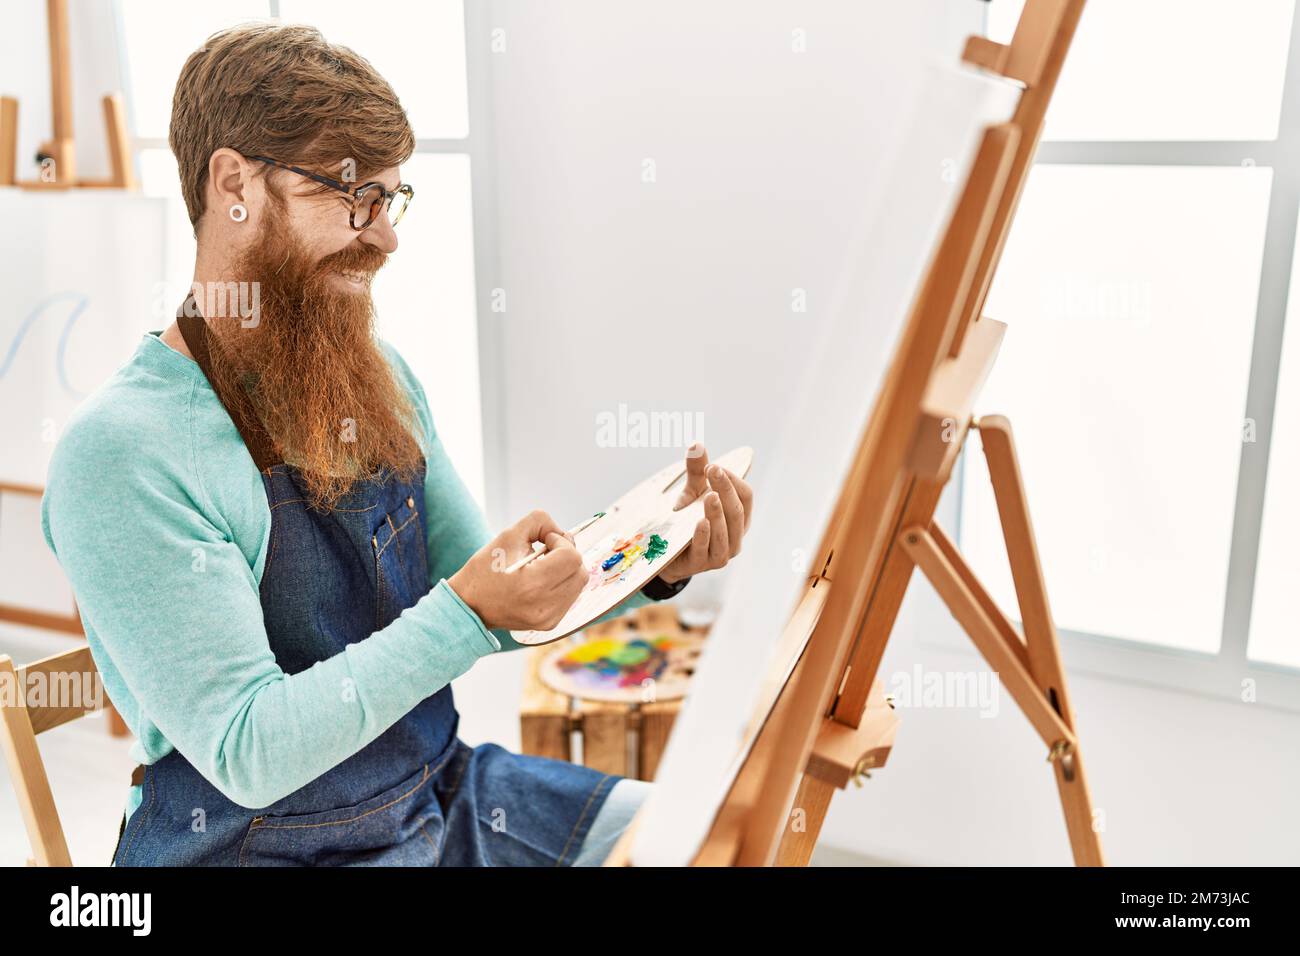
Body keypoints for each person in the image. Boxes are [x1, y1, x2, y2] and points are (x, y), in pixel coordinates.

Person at [39, 21, 752, 867]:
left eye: (392, 199)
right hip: (249, 849)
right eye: (352, 195)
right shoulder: (124, 453)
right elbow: (247, 751)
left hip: (437, 799)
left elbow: (511, 607)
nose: (385, 236)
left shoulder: (378, 377)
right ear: (232, 183)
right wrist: (467, 612)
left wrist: (657, 561)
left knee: (719, 835)